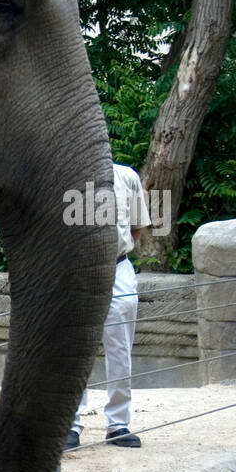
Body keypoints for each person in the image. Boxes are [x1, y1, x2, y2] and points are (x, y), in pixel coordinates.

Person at [65, 162, 151, 450]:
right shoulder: (64, 173)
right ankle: (71, 424)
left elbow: (137, 229)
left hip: (119, 269)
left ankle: (118, 424)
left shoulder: (127, 176)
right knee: (75, 350)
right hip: (77, 271)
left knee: (120, 349)